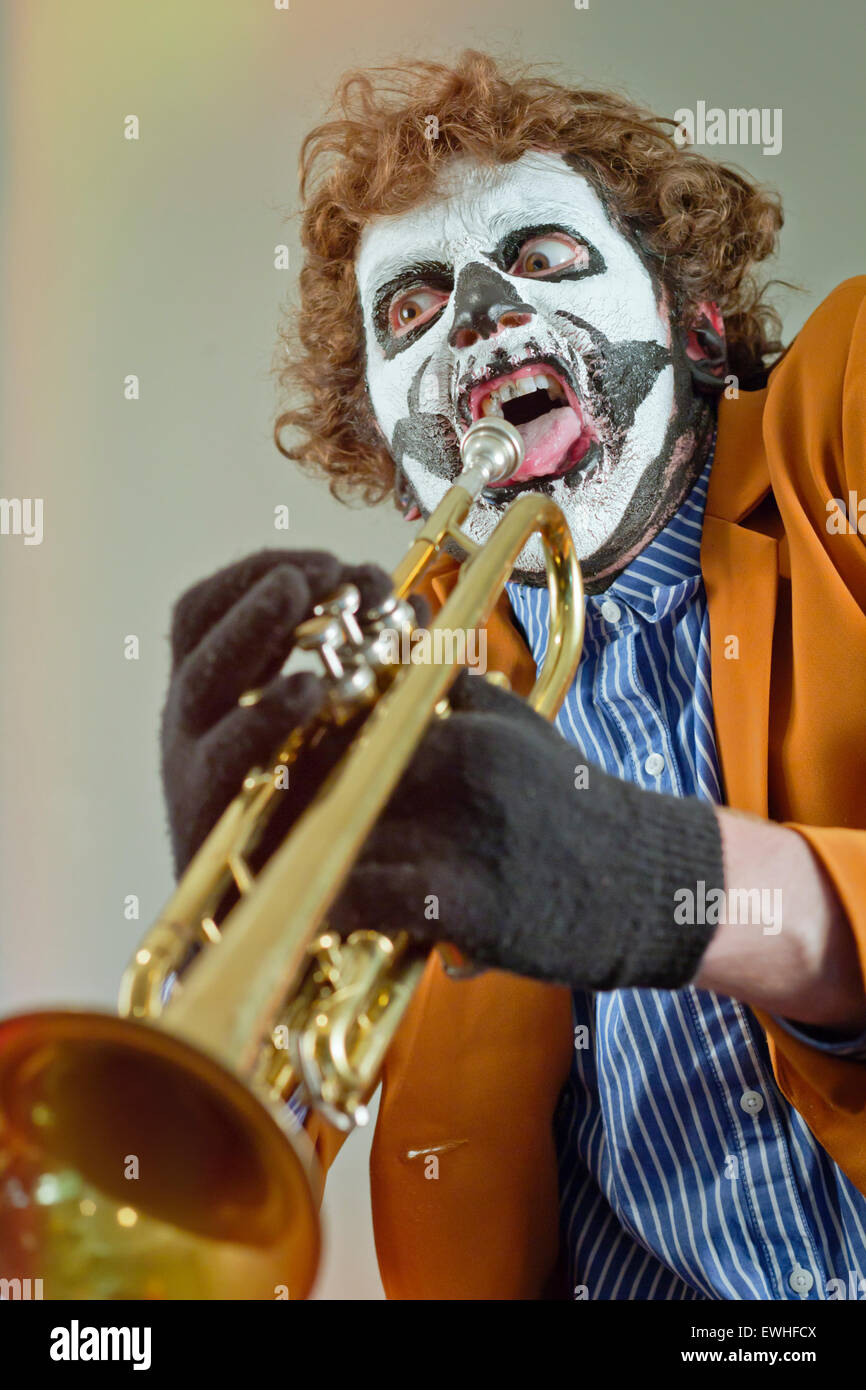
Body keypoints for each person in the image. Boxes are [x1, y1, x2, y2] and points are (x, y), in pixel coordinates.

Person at [160, 52, 866, 1300]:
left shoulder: (852, 403)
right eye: (410, 307)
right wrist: (231, 940)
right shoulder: (387, 695)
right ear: (388, 451)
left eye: (540, 258)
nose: (480, 314)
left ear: (692, 325)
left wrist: (673, 886)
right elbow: (190, 1229)